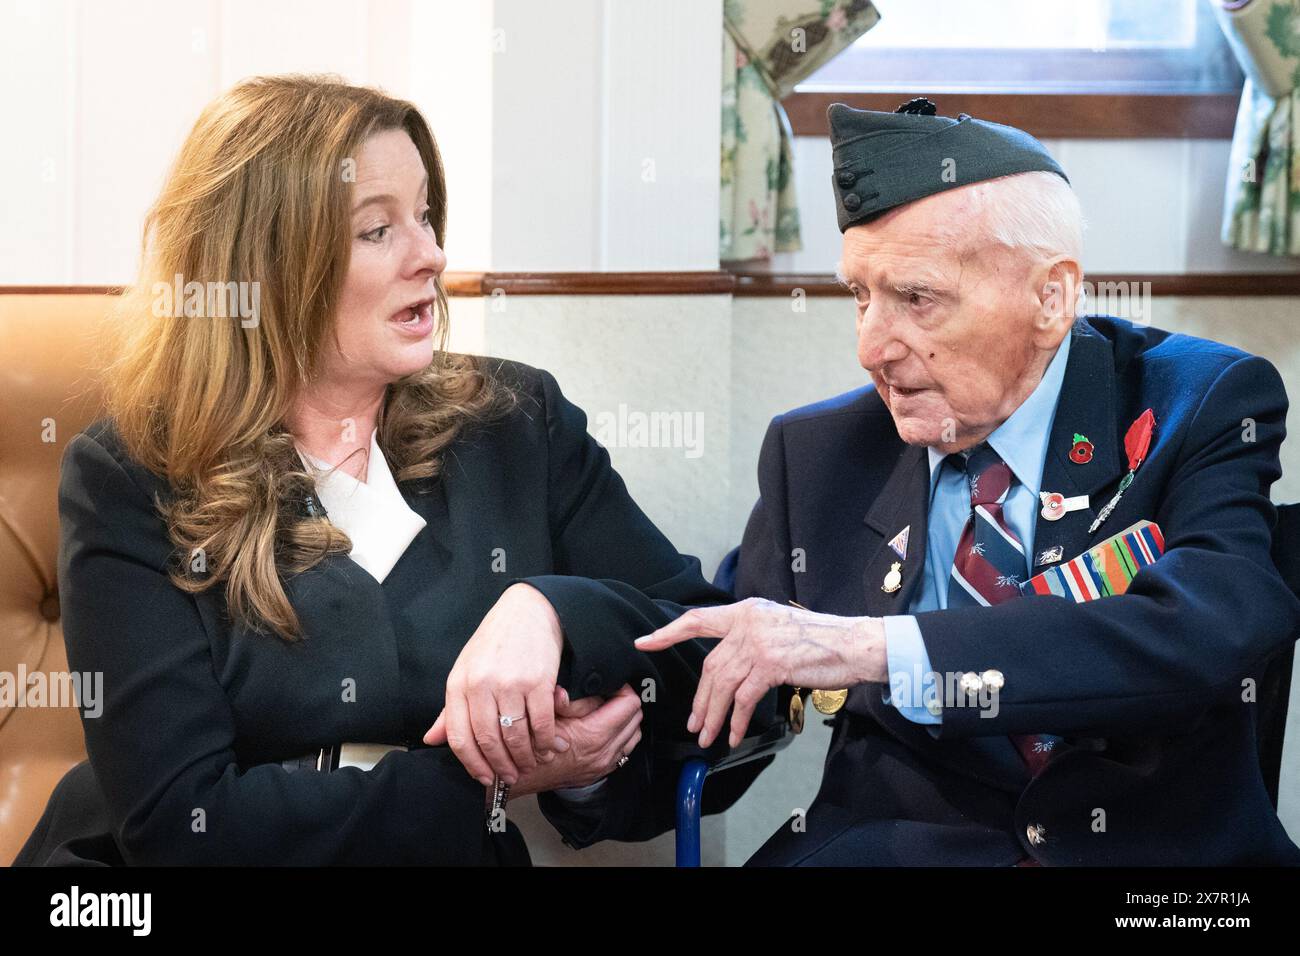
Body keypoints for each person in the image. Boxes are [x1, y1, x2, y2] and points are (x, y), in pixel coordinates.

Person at [16, 75, 766, 866]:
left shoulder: (516, 422)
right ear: (264, 270)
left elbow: (719, 665)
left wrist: (552, 612)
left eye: (427, 215)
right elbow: (186, 829)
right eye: (378, 230)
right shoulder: (132, 476)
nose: (432, 256)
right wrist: (491, 778)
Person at [638, 99, 1300, 866]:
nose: (871, 346)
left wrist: (879, 647)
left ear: (1051, 298)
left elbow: (1206, 631)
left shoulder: (1199, 402)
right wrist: (560, 649)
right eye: (860, 295)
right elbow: (730, 667)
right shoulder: (817, 452)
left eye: (917, 298)